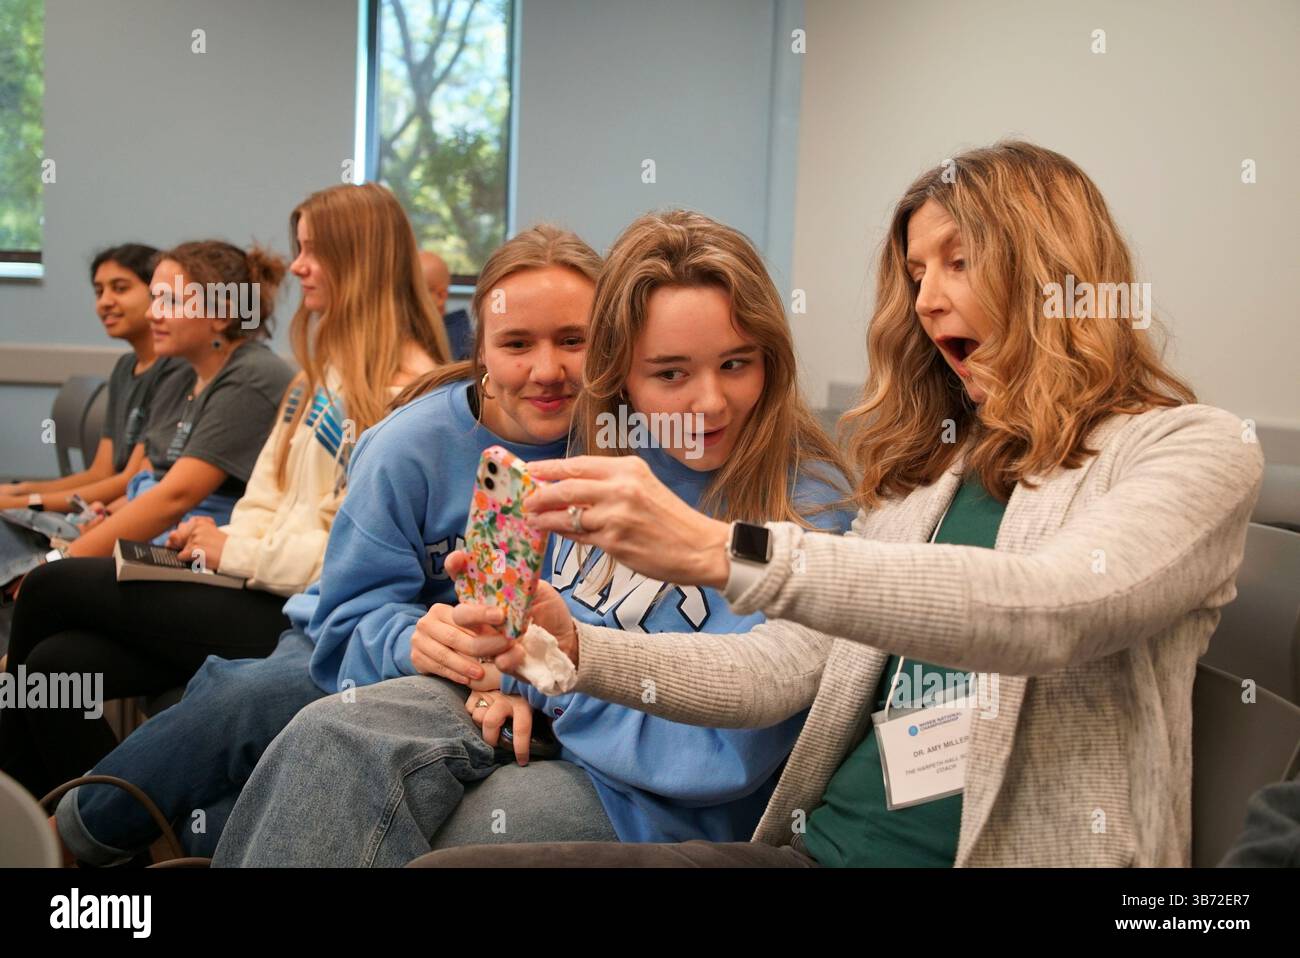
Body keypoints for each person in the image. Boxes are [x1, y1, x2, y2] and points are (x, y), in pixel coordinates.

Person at [408, 142, 1265, 868]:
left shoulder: (1191, 447)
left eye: (958, 261)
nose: (927, 297)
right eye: (917, 271)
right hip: (819, 853)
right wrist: (579, 649)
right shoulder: (930, 477)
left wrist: (723, 552)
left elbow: (1051, 611)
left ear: (1052, 268)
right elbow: (778, 671)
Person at [212, 210, 853, 867]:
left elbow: (724, 750)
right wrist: (499, 669)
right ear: (621, 373)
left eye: (737, 364)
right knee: (326, 736)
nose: (710, 403)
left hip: (646, 803)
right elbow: (500, 617)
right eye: (669, 373)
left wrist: (545, 686)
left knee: (411, 842)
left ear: (773, 360)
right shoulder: (589, 445)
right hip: (530, 723)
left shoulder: (808, 508)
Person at [49, 224, 601, 865]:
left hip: (499, 689)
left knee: (237, 808)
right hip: (366, 648)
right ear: (480, 347)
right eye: (516, 343)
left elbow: (610, 622)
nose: (547, 369)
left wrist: (521, 681)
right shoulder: (408, 446)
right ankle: (75, 840)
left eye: (574, 341)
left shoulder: (618, 449)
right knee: (244, 697)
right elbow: (347, 613)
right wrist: (410, 641)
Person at [2, 183, 450, 799]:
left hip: (298, 610)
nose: (297, 267)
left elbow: (346, 559)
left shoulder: (410, 395)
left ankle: (51, 826)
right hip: (250, 579)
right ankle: (80, 831)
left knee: (53, 583)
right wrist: (225, 539)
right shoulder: (321, 374)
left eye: (313, 251)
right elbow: (266, 496)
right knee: (55, 664)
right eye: (297, 248)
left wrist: (229, 551)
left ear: (359, 260)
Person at [0, 244, 181, 516]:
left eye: (120, 288)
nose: (105, 302)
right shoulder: (125, 367)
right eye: (99, 292)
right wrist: (22, 489)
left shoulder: (177, 369)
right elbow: (101, 472)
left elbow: (130, 480)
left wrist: (25, 503)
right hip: (106, 509)